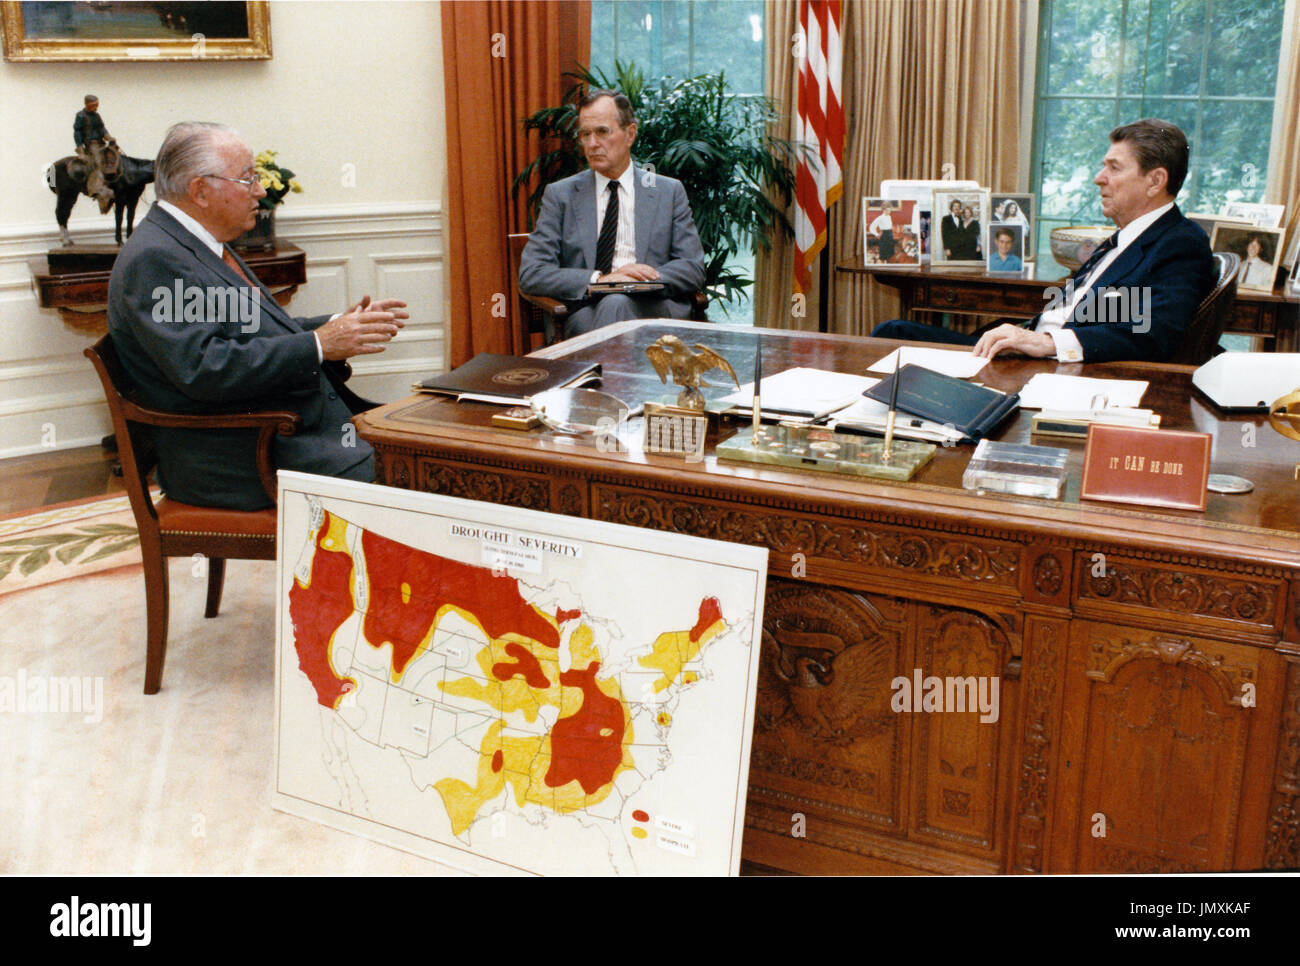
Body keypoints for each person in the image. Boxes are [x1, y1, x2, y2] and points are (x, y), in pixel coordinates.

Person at [107, 121, 409, 510]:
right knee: (417, 473)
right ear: (200, 190)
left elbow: (250, 330)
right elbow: (206, 368)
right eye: (247, 179)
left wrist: (336, 324)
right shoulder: (155, 258)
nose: (261, 191)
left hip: (286, 430)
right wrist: (320, 344)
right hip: (242, 457)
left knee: (424, 446)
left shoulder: (197, 242)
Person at [873, 118, 1214, 363]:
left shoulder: (1180, 243)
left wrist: (1045, 342)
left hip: (1054, 367)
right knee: (895, 333)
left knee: (892, 337)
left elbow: (1155, 334)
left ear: (1155, 181)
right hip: (1026, 349)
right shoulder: (1126, 238)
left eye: (1114, 168)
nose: (1099, 178)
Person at [518, 90, 706, 339]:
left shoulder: (667, 191)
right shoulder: (560, 195)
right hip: (587, 312)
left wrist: (638, 279)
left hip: (654, 309)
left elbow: (692, 267)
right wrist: (602, 279)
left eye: (602, 132)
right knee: (614, 304)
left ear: (630, 134)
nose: (592, 144)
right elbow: (533, 272)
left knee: (618, 303)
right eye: (585, 134)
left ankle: (604, 377)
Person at [73, 94, 117, 213]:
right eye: (93, 105)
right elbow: (77, 132)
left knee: (115, 156)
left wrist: (109, 137)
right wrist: (80, 148)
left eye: (97, 105)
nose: (96, 107)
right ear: (87, 105)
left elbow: (102, 128)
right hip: (91, 144)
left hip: (101, 142)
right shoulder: (81, 116)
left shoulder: (96, 115)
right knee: (98, 162)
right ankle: (97, 189)